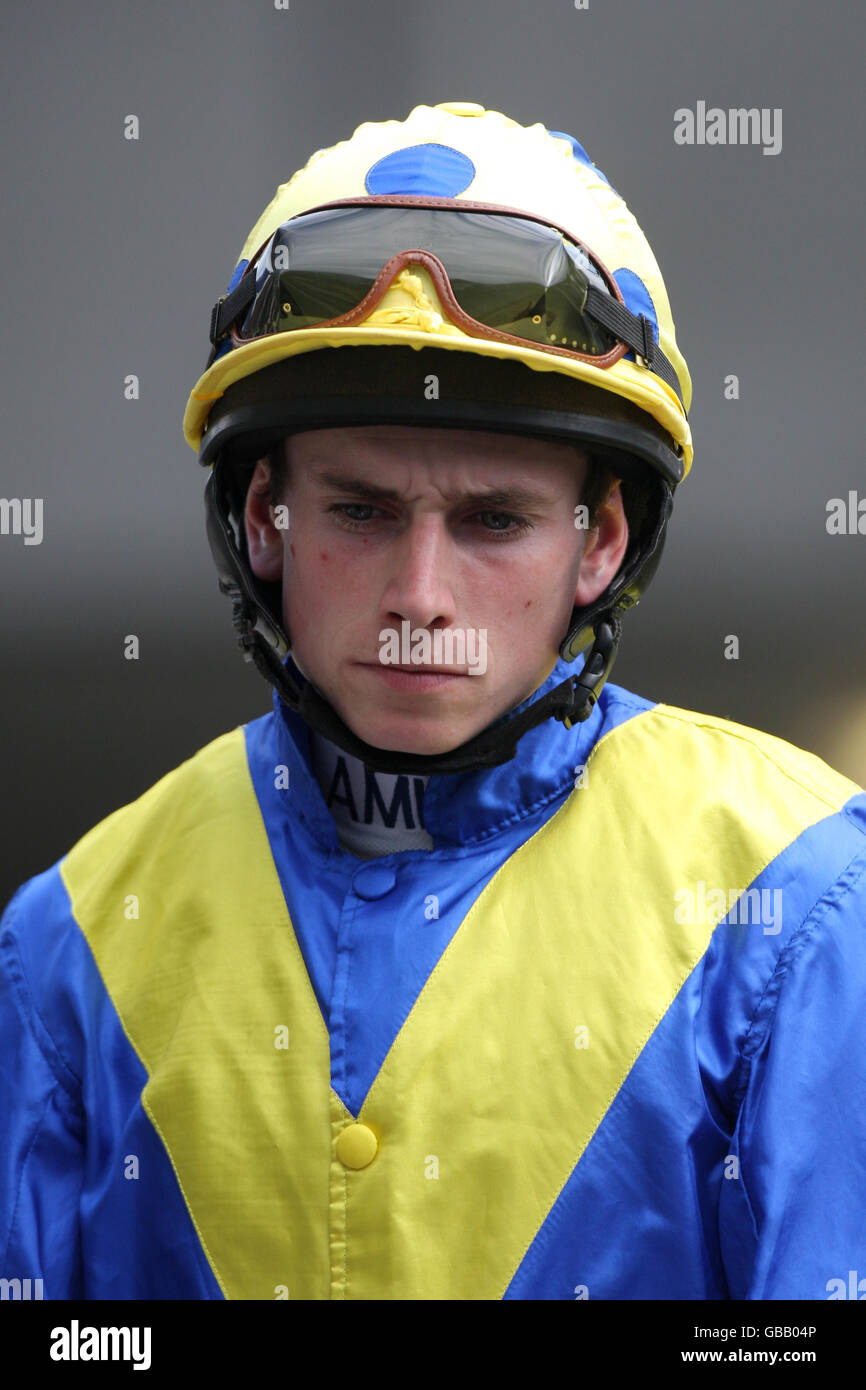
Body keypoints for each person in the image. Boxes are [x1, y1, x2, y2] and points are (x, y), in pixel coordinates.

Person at [1, 100, 864, 1303]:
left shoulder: (801, 896)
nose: (419, 595)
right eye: (357, 512)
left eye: (492, 521)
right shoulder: (70, 938)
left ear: (599, 539)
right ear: (263, 520)